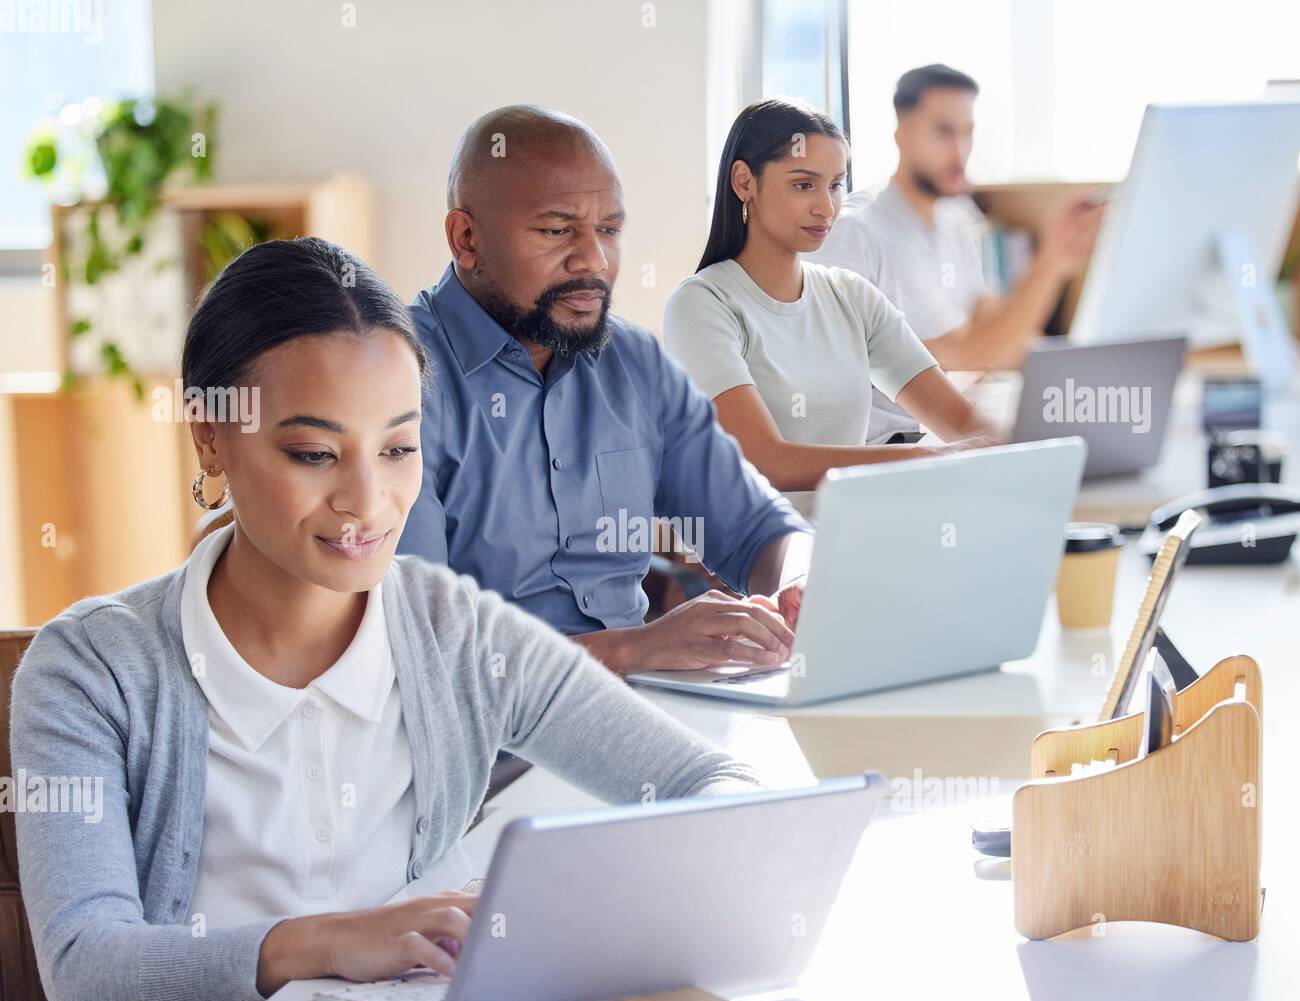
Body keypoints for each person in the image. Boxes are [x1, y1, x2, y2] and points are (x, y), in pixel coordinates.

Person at [11, 237, 764, 1001]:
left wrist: (581, 917)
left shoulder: (455, 630)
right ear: (212, 440)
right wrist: (327, 942)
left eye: (399, 448)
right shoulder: (90, 667)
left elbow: (717, 789)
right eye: (313, 453)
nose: (368, 502)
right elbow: (88, 971)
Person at [395, 105, 814, 674]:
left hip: (638, 711)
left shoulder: (634, 362)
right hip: (487, 743)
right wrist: (635, 649)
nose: (593, 259)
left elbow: (756, 528)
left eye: (609, 231)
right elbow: (417, 645)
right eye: (556, 230)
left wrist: (798, 579)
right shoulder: (393, 377)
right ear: (466, 239)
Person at [662, 99, 998, 517]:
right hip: (744, 564)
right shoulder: (701, 304)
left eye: (836, 185)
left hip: (844, 540)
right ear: (744, 181)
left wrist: (1030, 447)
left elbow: (960, 421)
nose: (827, 207)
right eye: (804, 185)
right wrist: (920, 460)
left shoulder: (852, 297)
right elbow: (764, 458)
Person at [810, 64, 1104, 439]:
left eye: (967, 133)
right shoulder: (857, 231)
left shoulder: (957, 215)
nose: (960, 150)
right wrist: (1051, 263)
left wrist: (1084, 376)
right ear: (902, 135)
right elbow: (967, 353)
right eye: (944, 132)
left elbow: (989, 322)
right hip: (887, 447)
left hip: (942, 431)